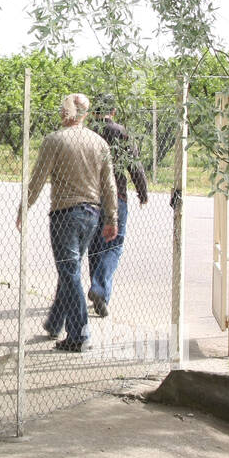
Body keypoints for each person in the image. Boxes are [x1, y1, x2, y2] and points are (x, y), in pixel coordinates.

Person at [16, 93, 118, 352]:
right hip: (92, 215)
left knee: (69, 272)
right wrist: (111, 217)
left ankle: (79, 335)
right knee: (70, 269)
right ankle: (54, 322)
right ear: (85, 114)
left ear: (66, 113)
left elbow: (38, 178)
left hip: (65, 215)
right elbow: (109, 185)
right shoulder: (99, 143)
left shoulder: (54, 141)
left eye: (62, 109)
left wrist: (23, 209)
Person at [86, 94, 150, 318]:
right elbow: (134, 164)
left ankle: (100, 292)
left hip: (91, 197)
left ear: (94, 112)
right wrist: (142, 192)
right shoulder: (120, 131)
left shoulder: (87, 133)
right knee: (114, 245)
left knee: (94, 246)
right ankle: (100, 289)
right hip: (117, 196)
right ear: (113, 111)